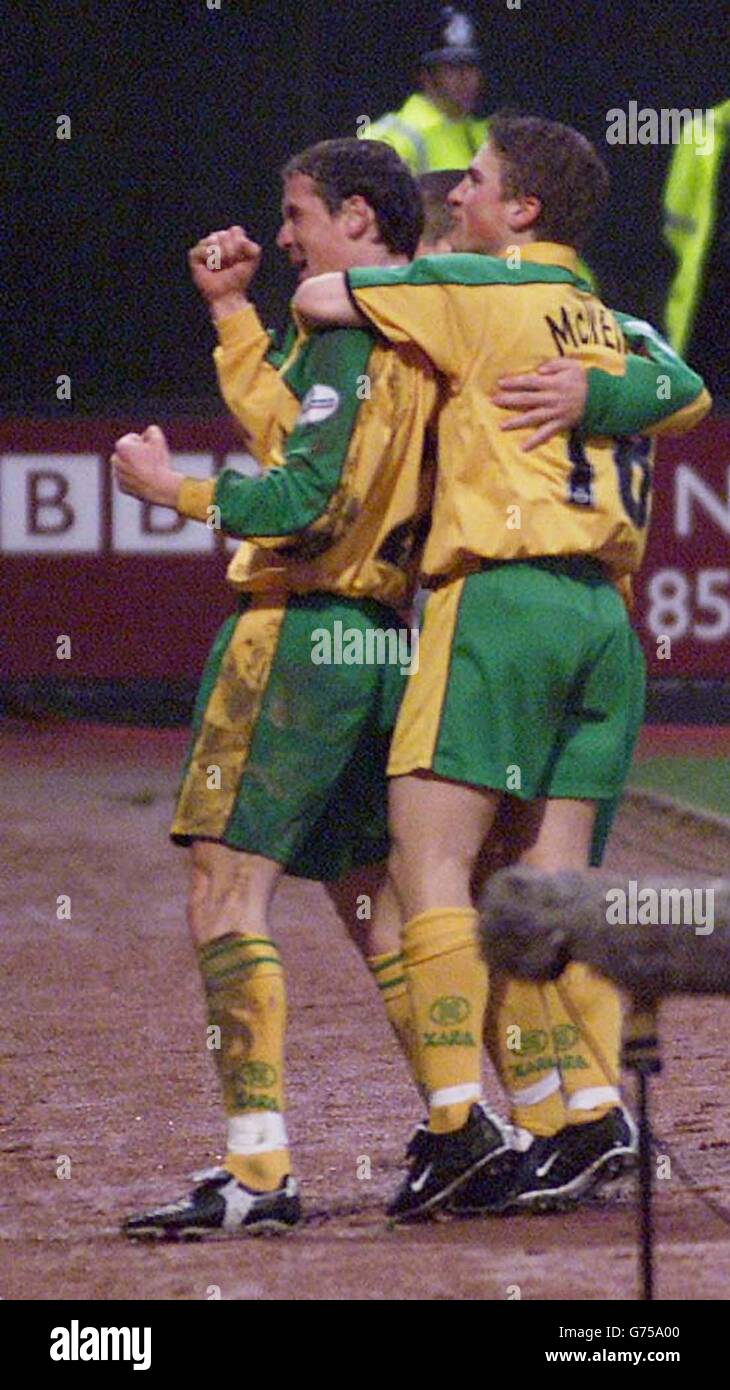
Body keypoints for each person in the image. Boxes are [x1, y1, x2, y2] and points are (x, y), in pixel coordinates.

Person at [114, 137, 708, 1235]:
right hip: (456, 626)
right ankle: (555, 1106)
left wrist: (175, 491)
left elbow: (305, 484)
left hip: (328, 624)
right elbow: (679, 384)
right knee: (421, 892)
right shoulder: (569, 329)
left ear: (360, 219)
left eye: (298, 213)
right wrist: (239, 314)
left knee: (252, 889)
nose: (286, 237)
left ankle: (282, 1165)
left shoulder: (421, 306)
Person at [294, 113, 712, 1221]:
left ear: (520, 209)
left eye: (475, 180)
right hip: (605, 624)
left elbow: (322, 300)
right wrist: (599, 393)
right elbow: (690, 393)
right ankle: (584, 1109)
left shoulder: (479, 284)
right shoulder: (617, 321)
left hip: (502, 599)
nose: (461, 192)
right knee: (546, 886)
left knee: (426, 865)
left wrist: (395, 278)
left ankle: (457, 1126)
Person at [361, 7, 486, 176]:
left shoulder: (484, 136)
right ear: (426, 76)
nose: (464, 77)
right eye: (452, 67)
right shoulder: (389, 137)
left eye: (470, 66)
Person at [663, 97, 730, 398]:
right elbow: (677, 222)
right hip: (706, 300)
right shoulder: (702, 132)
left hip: (705, 287)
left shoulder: (702, 131)